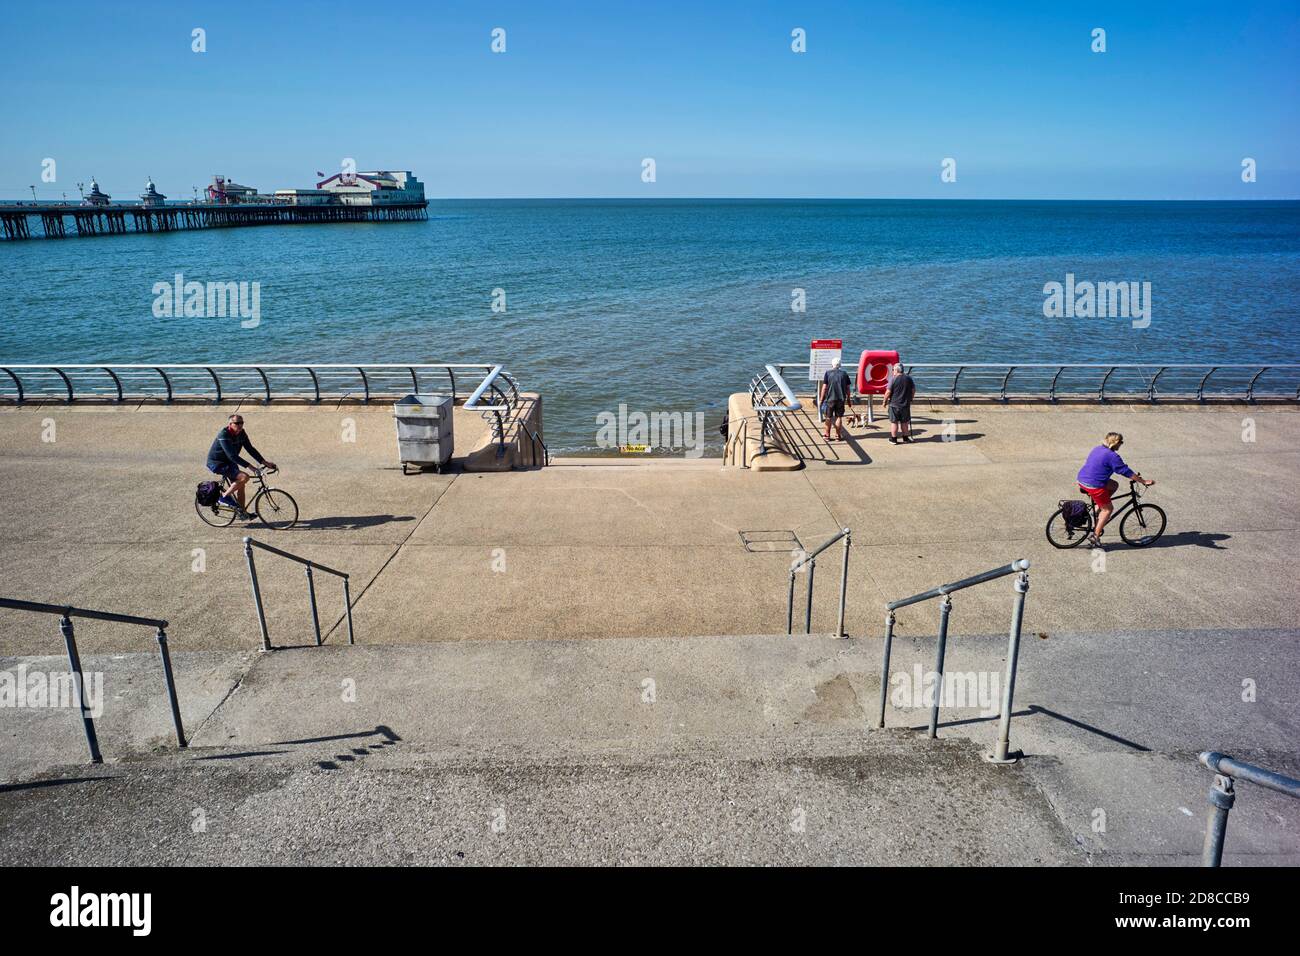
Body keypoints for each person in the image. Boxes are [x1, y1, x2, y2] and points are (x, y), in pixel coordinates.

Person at [1076, 432, 1154, 547]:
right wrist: (1143, 481)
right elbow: (1125, 471)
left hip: (1082, 479)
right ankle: (1095, 537)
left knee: (1113, 485)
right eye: (1121, 442)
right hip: (1094, 485)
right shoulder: (1113, 456)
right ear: (1116, 443)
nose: (1121, 445)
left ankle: (1098, 507)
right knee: (1108, 509)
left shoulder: (1097, 448)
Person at [206, 415, 276, 517]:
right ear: (230, 424)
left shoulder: (242, 433)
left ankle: (242, 513)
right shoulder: (224, 434)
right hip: (217, 463)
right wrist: (252, 467)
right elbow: (232, 456)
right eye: (237, 423)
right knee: (244, 477)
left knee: (241, 484)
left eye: (241, 423)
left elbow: (250, 449)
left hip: (229, 462)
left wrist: (264, 462)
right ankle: (223, 497)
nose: (240, 425)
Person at [818, 357, 853, 441]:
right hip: (841, 399)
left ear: (832, 364)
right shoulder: (844, 374)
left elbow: (824, 388)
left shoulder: (827, 373)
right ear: (840, 365)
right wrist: (848, 399)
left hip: (830, 399)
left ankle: (827, 435)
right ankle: (838, 436)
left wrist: (821, 400)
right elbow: (848, 388)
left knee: (828, 417)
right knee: (839, 417)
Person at [884, 363, 915, 443]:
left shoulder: (893, 379)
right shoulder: (909, 379)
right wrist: (911, 398)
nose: (893, 371)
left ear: (897, 370)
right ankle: (905, 438)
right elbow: (913, 390)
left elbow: (888, 392)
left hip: (894, 405)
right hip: (905, 405)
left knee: (894, 422)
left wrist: (884, 401)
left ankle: (894, 439)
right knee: (904, 422)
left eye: (893, 370)